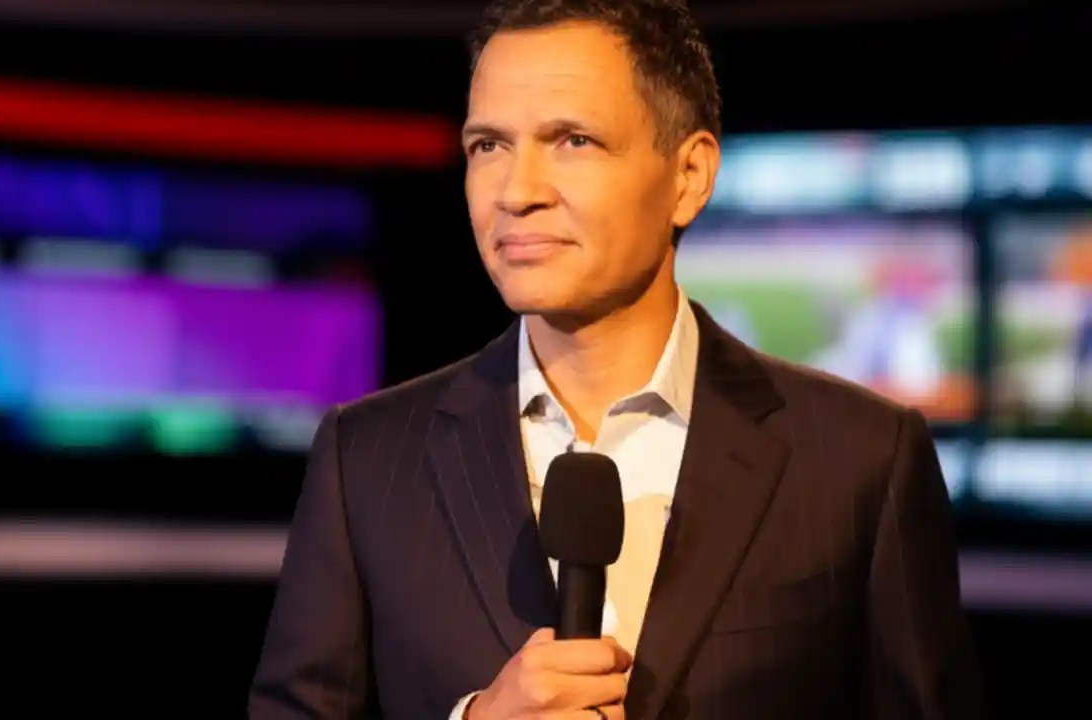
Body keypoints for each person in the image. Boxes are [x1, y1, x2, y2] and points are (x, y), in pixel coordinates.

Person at [249, 1, 986, 718]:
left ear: (690, 176)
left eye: (573, 140)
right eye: (488, 146)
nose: (517, 192)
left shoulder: (861, 459)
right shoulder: (368, 459)